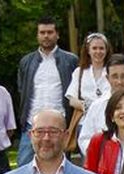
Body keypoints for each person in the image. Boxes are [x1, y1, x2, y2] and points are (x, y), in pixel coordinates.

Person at [15, 17, 78, 166]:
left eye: (50, 32)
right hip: (32, 126)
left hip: (60, 127)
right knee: (24, 170)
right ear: (37, 35)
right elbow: (21, 90)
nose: (46, 36)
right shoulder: (26, 62)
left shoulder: (70, 61)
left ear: (57, 34)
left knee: (61, 170)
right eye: (42, 32)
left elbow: (75, 92)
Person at [65, 33, 113, 123]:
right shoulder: (79, 72)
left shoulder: (112, 72)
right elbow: (72, 99)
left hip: (108, 121)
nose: (98, 52)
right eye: (94, 48)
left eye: (101, 48)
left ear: (106, 50)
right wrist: (87, 107)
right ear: (88, 51)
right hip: (85, 121)